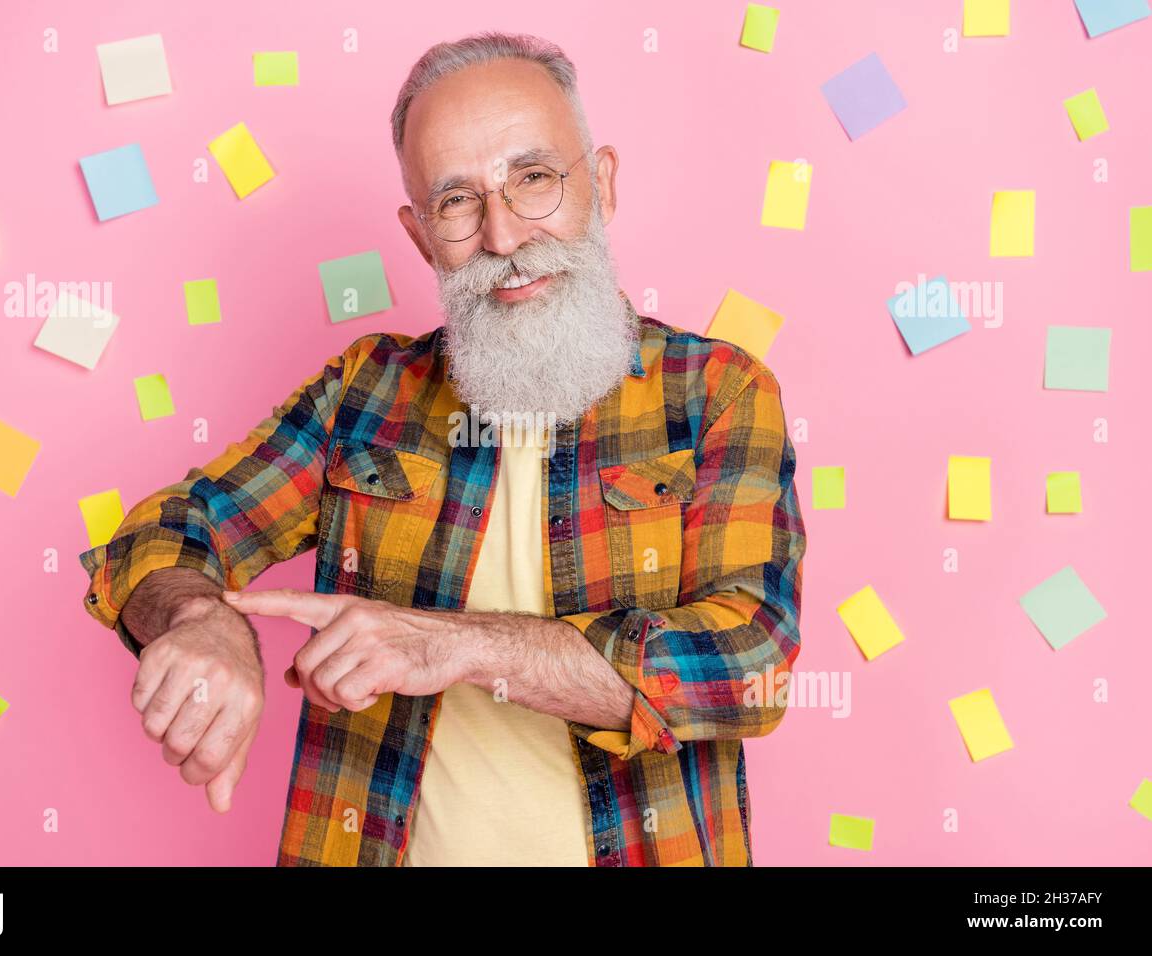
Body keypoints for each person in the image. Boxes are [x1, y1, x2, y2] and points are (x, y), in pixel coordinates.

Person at [80, 31, 806, 866]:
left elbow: (750, 664)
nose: (502, 236)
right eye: (457, 201)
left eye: (533, 178)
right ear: (422, 234)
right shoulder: (366, 390)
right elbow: (164, 533)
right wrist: (202, 620)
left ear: (600, 184)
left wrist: (453, 643)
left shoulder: (719, 390)